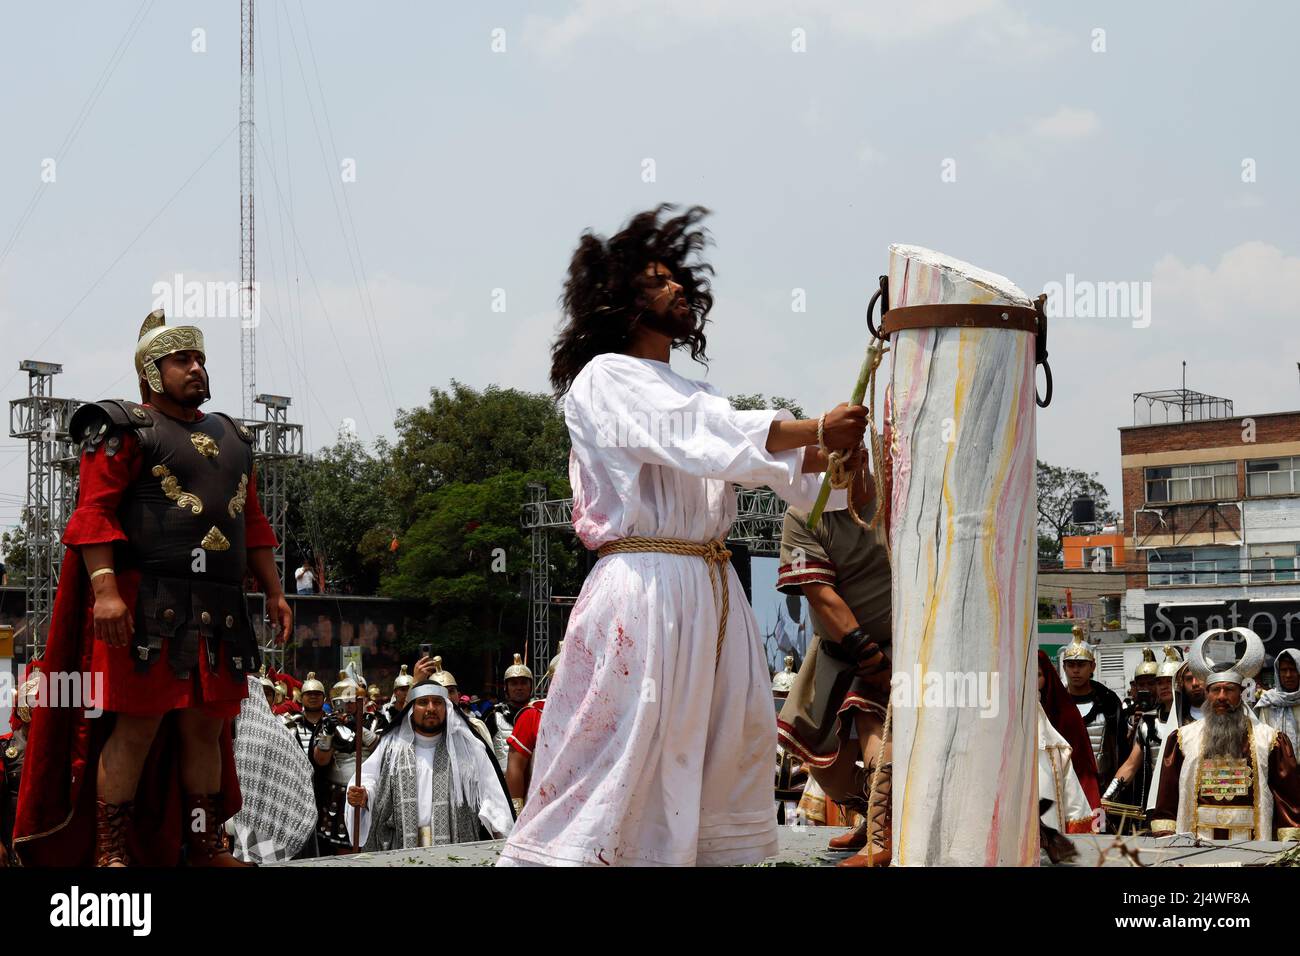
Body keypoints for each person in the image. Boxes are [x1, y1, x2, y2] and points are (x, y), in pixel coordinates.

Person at [498, 205, 863, 867]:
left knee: (718, 748)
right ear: (620, 302)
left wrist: (838, 453)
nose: (677, 290)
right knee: (621, 747)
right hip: (643, 589)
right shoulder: (605, 378)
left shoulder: (695, 392)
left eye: (678, 279)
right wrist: (814, 429)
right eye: (658, 281)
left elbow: (742, 455)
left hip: (711, 589)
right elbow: (699, 433)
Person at [13, 309, 291, 867]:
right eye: (182, 360)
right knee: (137, 730)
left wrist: (276, 592)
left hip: (221, 606)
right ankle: (110, 850)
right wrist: (107, 591)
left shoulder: (233, 437)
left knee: (205, 733)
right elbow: (94, 515)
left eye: (201, 359)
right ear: (151, 370)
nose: (197, 369)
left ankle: (205, 842)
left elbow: (253, 523)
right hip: (147, 603)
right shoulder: (119, 428)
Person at [774, 460, 892, 867]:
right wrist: (867, 653)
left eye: (854, 451)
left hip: (904, 644)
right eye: (835, 451)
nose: (847, 461)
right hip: (840, 650)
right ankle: (870, 814)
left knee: (872, 723)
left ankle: (884, 836)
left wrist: (881, 659)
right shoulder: (804, 512)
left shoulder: (899, 497)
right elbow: (819, 593)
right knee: (817, 754)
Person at [1151, 629, 1300, 841]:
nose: (1222, 697)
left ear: (1241, 694)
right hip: (1194, 846)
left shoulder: (1271, 740)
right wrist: (1166, 835)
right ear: (1207, 694)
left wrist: (1288, 845)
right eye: (1216, 690)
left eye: (1229, 689)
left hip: (1253, 847)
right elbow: (1168, 797)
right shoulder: (1182, 739)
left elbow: (1287, 801)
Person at [346, 681, 513, 849]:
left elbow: (493, 798)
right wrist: (364, 795)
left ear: (446, 707)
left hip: (457, 849)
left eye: (437, 702)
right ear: (412, 708)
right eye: (423, 702)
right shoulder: (392, 747)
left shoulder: (467, 747)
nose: (431, 708)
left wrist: (505, 844)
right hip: (402, 849)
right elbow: (369, 779)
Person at [228, 672, 316, 864]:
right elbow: (306, 770)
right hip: (277, 824)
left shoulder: (281, 728)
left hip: (253, 826)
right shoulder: (279, 733)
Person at [1108, 646, 1181, 827]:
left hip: (1187, 801)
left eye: (1169, 681)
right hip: (1155, 802)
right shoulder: (1147, 722)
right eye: (1160, 682)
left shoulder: (1194, 721)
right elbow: (1131, 765)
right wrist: (1107, 796)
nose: (1164, 686)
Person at [1036, 651, 1101, 827]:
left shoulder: (1067, 715)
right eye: (1071, 665)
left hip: (1068, 797)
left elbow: (1084, 770)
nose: (1076, 670)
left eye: (1038, 675)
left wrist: (1095, 815)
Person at [1060, 628, 1124, 793]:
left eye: (1081, 665)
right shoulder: (1055, 704)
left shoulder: (1109, 702)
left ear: (1092, 666)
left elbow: (1121, 748)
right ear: (1064, 667)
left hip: (1102, 786)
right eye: (1071, 665)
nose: (1075, 670)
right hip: (1065, 787)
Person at [488, 654, 535, 772]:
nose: (519, 687)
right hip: (503, 786)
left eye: (524, 682)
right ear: (506, 687)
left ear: (531, 686)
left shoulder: (540, 714)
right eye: (514, 683)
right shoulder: (493, 716)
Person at [1256, 648, 1300, 751]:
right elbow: (1261, 741)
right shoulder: (1268, 702)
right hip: (1276, 765)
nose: (1288, 675)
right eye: (1284, 670)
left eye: (1293, 670)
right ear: (1277, 673)